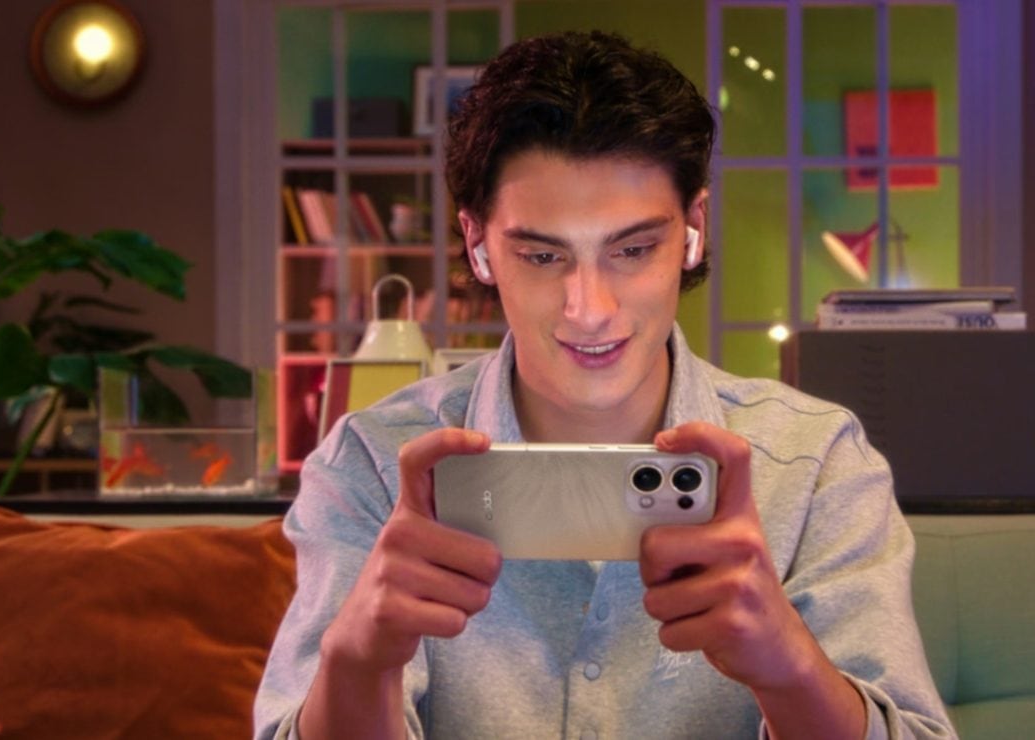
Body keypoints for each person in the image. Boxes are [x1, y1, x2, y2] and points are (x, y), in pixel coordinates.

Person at [255, 30, 954, 740]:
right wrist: (359, 662)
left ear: (693, 229)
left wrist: (789, 666)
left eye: (633, 249)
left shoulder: (816, 463)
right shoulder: (370, 466)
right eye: (541, 255)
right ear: (478, 245)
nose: (589, 309)